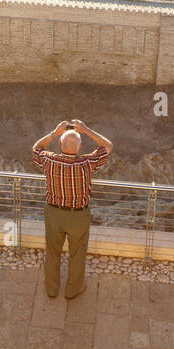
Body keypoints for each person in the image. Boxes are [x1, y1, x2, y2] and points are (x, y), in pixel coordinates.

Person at [31, 118, 113, 300]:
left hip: (53, 213)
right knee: (77, 254)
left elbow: (36, 148)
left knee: (52, 252)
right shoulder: (87, 163)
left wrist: (55, 132)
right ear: (80, 146)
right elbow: (108, 146)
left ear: (60, 144)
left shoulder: (49, 160)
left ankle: (52, 290)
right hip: (78, 216)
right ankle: (72, 290)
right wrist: (86, 129)